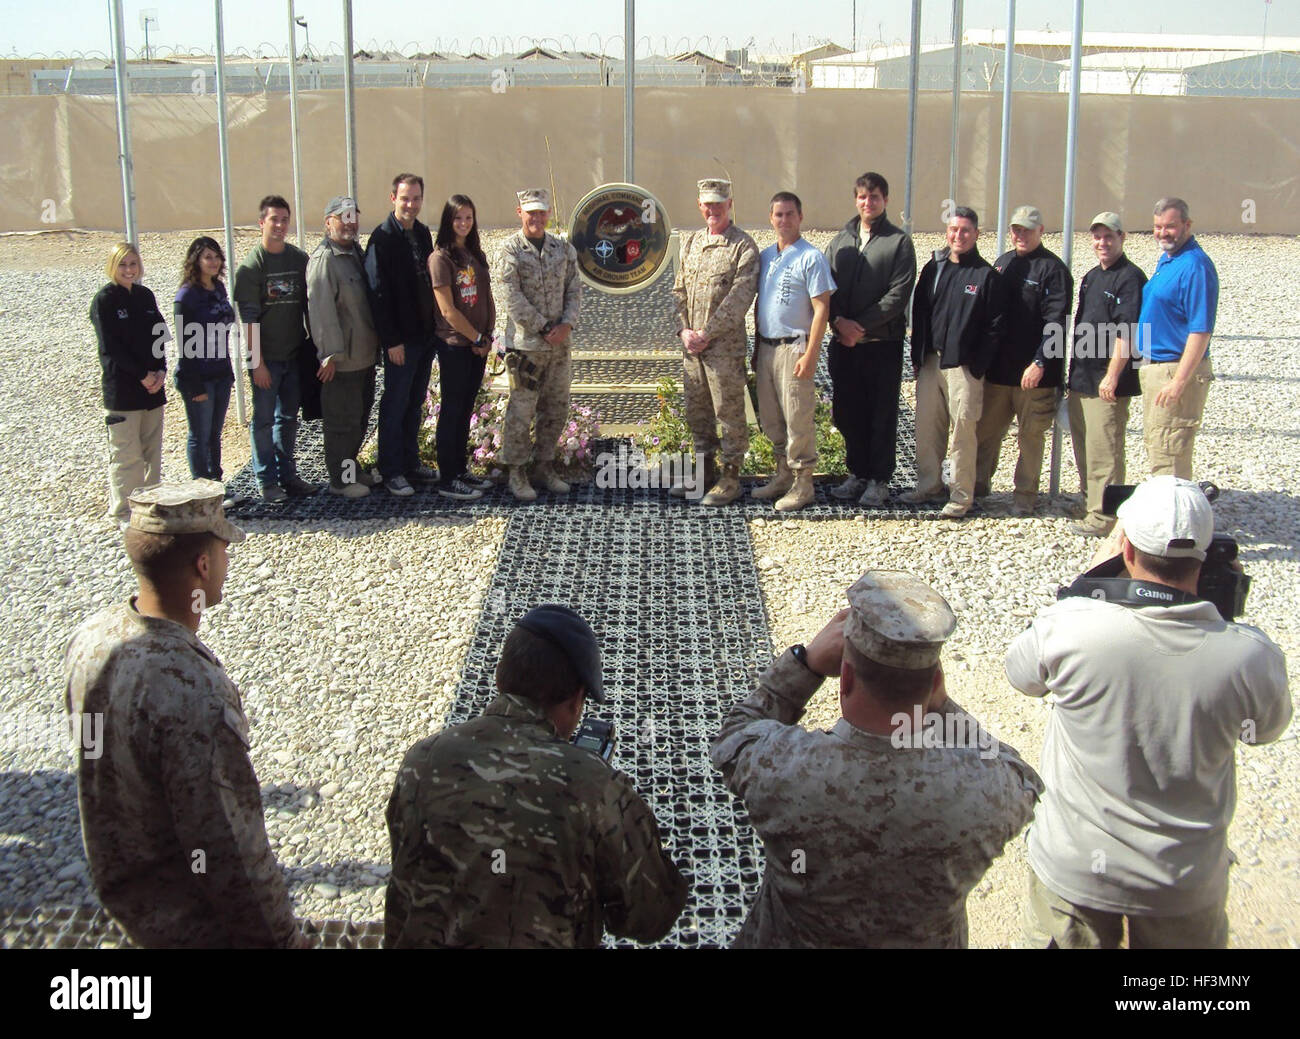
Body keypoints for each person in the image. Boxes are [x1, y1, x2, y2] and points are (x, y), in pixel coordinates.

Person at [1007, 476, 1291, 948]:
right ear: (1204, 558)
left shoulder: (1070, 628)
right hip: (1181, 880)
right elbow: (1263, 732)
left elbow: (1022, 676)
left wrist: (1088, 583)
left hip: (1077, 867)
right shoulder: (1250, 656)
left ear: (1129, 552)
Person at [712, 571, 1042, 947]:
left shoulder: (782, 768)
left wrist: (804, 666)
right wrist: (943, 708)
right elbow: (1021, 774)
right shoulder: (992, 791)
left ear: (845, 677)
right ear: (935, 683)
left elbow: (734, 736)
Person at [64, 480, 307, 948]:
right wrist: (284, 941)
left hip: (131, 910)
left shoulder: (89, 640)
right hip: (195, 926)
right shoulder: (194, 690)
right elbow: (227, 848)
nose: (226, 563)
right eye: (222, 552)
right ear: (203, 565)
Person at [385, 604, 687, 947]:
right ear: (576, 701)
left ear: (500, 678)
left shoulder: (423, 760)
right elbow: (650, 918)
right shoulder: (596, 788)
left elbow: (409, 871)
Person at [823, 172, 918, 506]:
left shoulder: (899, 242)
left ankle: (879, 479)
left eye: (874, 196)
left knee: (881, 414)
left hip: (881, 346)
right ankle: (857, 473)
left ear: (885, 200)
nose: (868, 202)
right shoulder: (840, 241)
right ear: (855, 199)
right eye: (862, 196)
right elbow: (825, 287)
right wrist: (837, 322)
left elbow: (898, 294)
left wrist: (858, 326)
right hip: (844, 347)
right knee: (848, 412)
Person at [902, 207, 1002, 519]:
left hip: (964, 368)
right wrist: (918, 355)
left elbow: (995, 326)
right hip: (931, 363)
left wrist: (978, 366)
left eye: (965, 231)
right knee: (927, 427)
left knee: (962, 432)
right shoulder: (934, 269)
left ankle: (960, 495)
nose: (958, 236)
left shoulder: (985, 276)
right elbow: (919, 313)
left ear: (976, 234)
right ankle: (930, 485)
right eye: (953, 230)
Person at [975, 205, 1073, 516]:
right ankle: (977, 486)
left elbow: (1057, 323)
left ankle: (1024, 496)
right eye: (1016, 229)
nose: (1020, 234)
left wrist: (1041, 361)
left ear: (1041, 231)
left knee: (1030, 437)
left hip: (1035, 377)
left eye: (1027, 229)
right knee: (985, 433)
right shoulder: (1002, 263)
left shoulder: (1054, 271)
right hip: (999, 374)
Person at [670, 178, 760, 507]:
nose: (713, 209)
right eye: (707, 204)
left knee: (728, 412)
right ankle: (704, 472)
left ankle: (731, 477)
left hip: (722, 350)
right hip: (692, 349)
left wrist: (706, 333)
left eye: (719, 203)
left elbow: (739, 299)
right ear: (699, 205)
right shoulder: (692, 243)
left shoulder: (743, 247)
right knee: (698, 412)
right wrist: (684, 331)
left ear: (729, 204)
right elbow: (678, 292)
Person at [751, 191, 835, 512]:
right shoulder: (766, 257)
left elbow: (821, 308)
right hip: (768, 348)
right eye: (778, 215)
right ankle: (782, 475)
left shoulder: (810, 258)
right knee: (771, 417)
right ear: (771, 218)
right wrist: (757, 349)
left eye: (790, 214)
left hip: (794, 348)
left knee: (797, 417)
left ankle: (803, 484)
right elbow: (763, 305)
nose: (784, 220)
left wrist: (811, 354)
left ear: (800, 217)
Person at [498, 188, 583, 502]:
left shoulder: (563, 249)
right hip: (527, 347)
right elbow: (512, 298)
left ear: (549, 213)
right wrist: (545, 326)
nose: (536, 218)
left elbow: (575, 289)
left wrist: (566, 324)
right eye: (530, 212)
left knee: (556, 407)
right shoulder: (510, 250)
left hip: (560, 346)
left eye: (541, 212)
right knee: (522, 410)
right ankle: (517, 471)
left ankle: (544, 466)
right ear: (519, 212)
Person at [232, 194, 317, 504]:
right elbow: (249, 321)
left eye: (284, 219)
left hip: (293, 356)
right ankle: (265, 480)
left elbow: (310, 307)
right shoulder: (251, 268)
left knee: (288, 420)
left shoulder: (298, 260)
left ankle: (288, 476)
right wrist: (257, 364)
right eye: (274, 220)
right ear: (261, 223)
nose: (280, 225)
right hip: (267, 361)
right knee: (264, 421)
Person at [1065, 212, 1146, 537]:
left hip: (1106, 382)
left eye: (1109, 237)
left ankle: (1105, 517)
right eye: (1097, 236)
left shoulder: (1130, 279)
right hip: (1082, 378)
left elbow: (1128, 332)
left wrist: (1112, 376)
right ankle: (1090, 501)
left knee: (1105, 451)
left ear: (1122, 238)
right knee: (1084, 447)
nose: (1102, 243)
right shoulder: (1091, 277)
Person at [364, 173, 440, 498]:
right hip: (401, 341)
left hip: (424, 337)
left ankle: (411, 462)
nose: (411, 204)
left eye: (416, 198)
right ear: (393, 198)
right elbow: (377, 294)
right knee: (395, 403)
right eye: (405, 198)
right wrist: (390, 340)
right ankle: (391, 469)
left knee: (415, 401)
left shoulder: (422, 233)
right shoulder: (382, 239)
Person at [1132, 198, 1219, 480]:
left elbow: (1200, 330)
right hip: (1156, 367)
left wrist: (1179, 381)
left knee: (1170, 452)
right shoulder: (1169, 259)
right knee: (1158, 447)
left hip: (1174, 368)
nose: (1162, 232)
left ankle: (1176, 521)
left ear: (1187, 225)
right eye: (1158, 226)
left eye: (1170, 226)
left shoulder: (1196, 266)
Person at [306, 196, 382, 499]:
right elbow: (321, 311)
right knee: (342, 422)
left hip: (362, 355)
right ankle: (340, 480)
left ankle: (352, 471)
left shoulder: (353, 253)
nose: (350, 222)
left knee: (359, 417)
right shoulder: (325, 260)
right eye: (343, 216)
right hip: (342, 359)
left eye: (353, 216)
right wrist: (329, 355)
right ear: (328, 222)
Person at [90, 243, 169, 526]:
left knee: (152, 453)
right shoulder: (105, 300)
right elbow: (111, 347)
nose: (128, 270)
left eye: (133, 264)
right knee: (126, 455)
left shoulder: (146, 296)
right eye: (123, 264)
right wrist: (142, 375)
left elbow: (160, 335)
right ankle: (124, 512)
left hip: (152, 391)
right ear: (113, 266)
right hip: (123, 392)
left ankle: (150, 505)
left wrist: (160, 371)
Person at [430, 193, 495, 501]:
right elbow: (447, 310)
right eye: (458, 218)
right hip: (456, 345)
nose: (464, 223)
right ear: (448, 220)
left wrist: (488, 335)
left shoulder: (473, 253)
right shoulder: (441, 258)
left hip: (477, 344)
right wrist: (475, 337)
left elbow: (485, 296)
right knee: (452, 410)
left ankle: (461, 468)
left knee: (466, 408)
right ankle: (448, 477)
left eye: (468, 217)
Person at [173, 237, 236, 483]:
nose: (213, 261)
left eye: (216, 256)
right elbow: (184, 344)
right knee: (199, 435)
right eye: (207, 257)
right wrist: (195, 384)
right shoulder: (186, 296)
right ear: (196, 261)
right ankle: (201, 486)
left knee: (214, 434)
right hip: (198, 376)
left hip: (220, 371)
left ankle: (217, 485)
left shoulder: (219, 288)